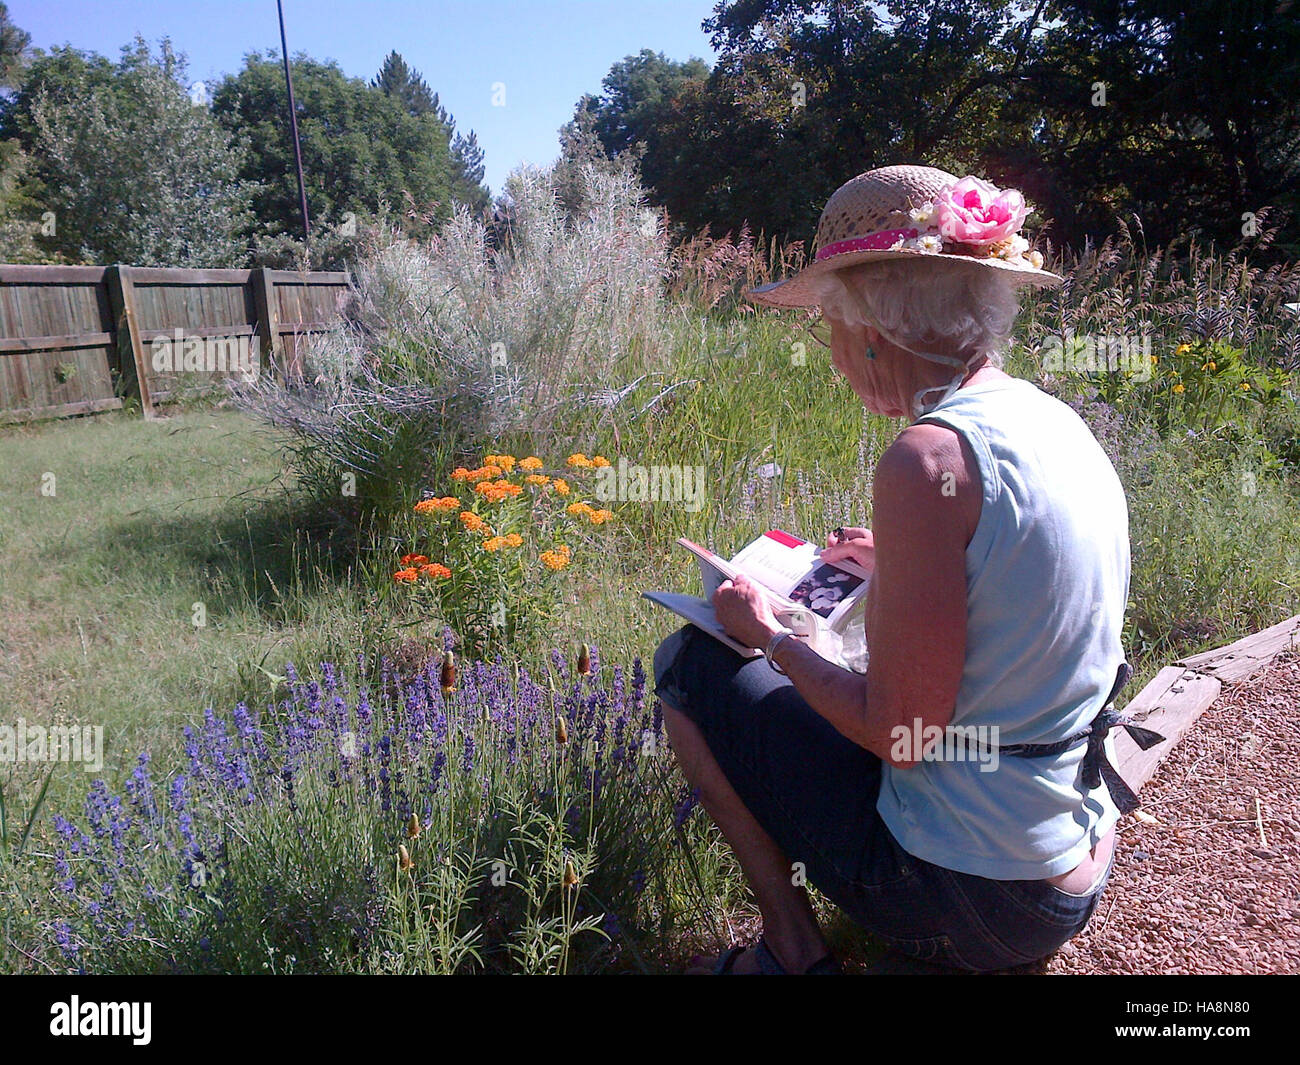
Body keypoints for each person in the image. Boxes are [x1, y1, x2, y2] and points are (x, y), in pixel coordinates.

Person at [652, 164, 1163, 974]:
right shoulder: (1050, 418)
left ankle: (789, 947)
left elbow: (901, 734)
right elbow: (1019, 578)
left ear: (870, 329)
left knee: (686, 664)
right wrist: (899, 565)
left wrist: (772, 639)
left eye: (829, 323)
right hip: (1071, 860)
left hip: (974, 895)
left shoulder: (925, 460)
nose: (830, 349)